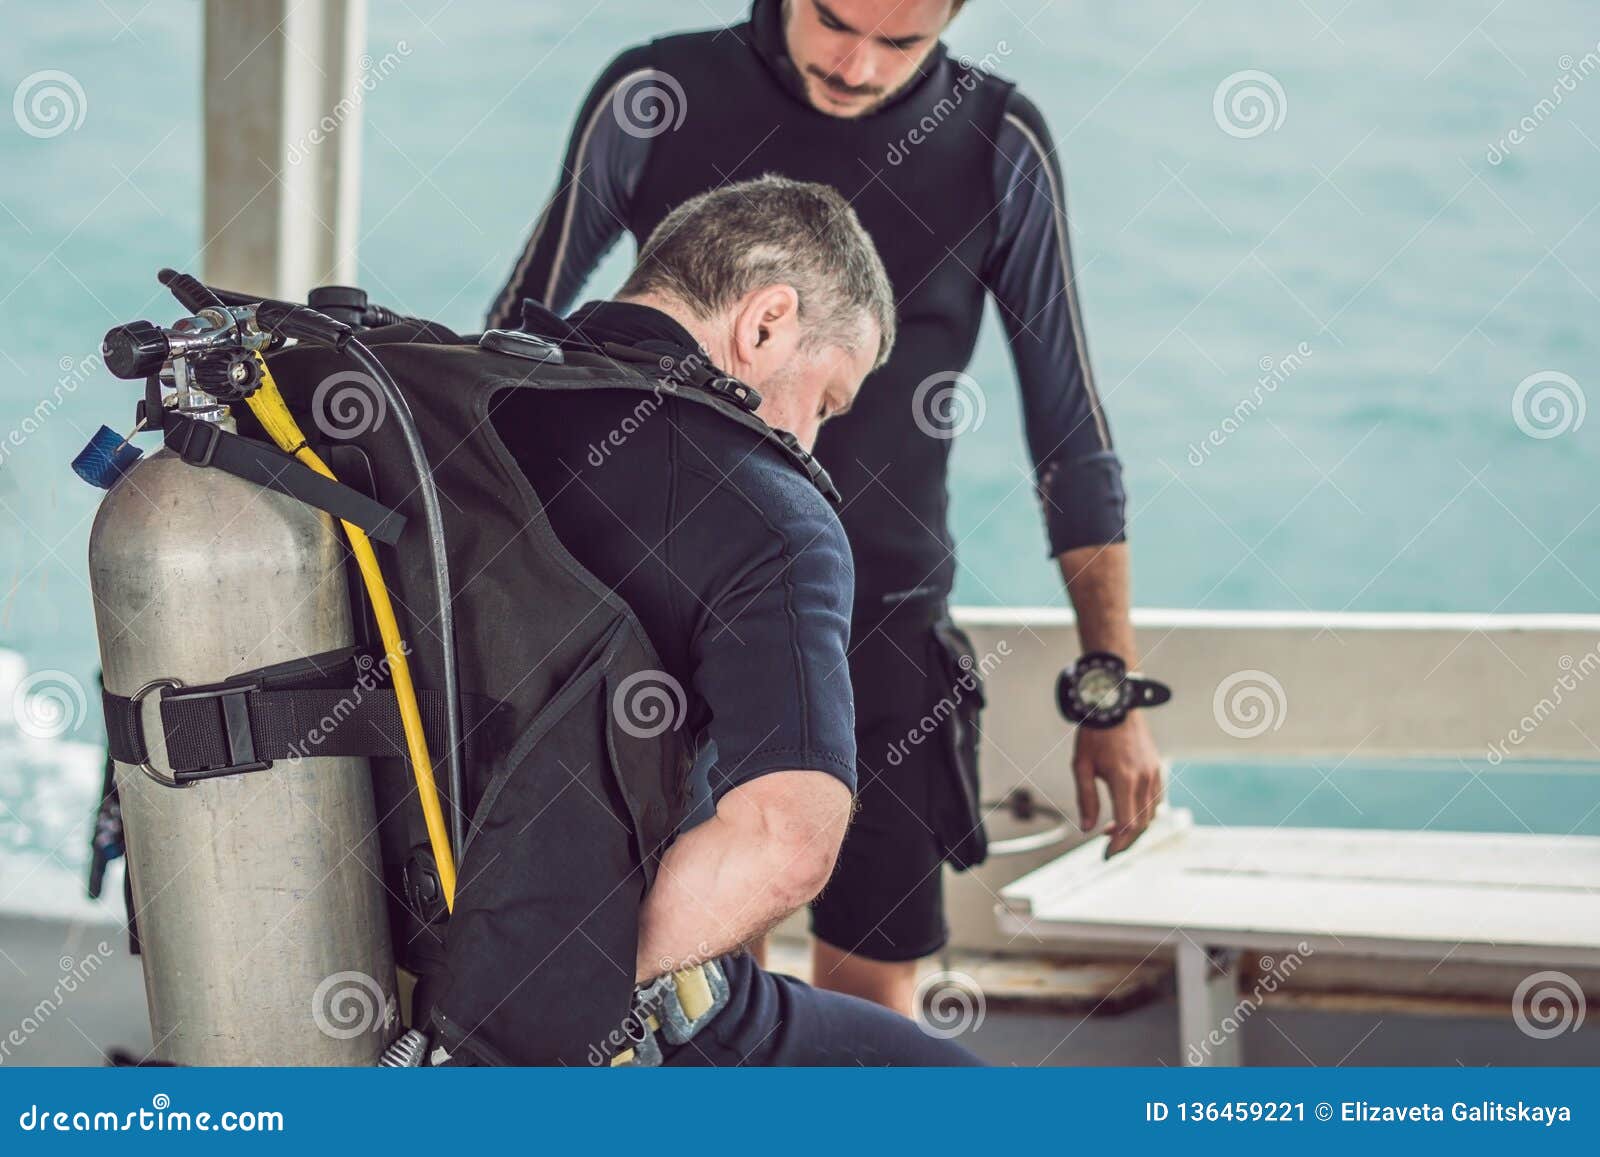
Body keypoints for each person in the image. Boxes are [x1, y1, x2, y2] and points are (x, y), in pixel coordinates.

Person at [487, 0, 1167, 1016]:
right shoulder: (657, 93)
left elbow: (1069, 427)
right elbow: (518, 351)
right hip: (663, 618)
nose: (856, 67)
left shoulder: (995, 139)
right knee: (697, 982)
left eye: (902, 43)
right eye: (835, 20)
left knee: (870, 980)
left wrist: (1106, 684)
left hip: (880, 623)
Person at [493, 174, 979, 1065]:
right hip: (601, 1035)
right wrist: (524, 1000)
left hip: (382, 982)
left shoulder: (464, 413)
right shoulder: (774, 515)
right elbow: (786, 843)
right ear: (765, 323)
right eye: (827, 402)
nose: (810, 441)